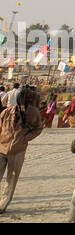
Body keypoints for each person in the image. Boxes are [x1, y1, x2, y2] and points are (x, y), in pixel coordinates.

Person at [0, 85, 43, 213]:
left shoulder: (33, 113)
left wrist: (25, 138)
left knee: (11, 181)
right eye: (26, 98)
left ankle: (3, 205)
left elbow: (38, 129)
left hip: (18, 151)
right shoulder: (8, 111)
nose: (28, 101)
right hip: (2, 148)